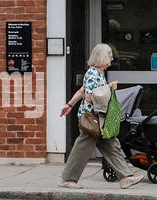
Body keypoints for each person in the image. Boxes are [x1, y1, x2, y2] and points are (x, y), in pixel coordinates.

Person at [58, 43, 143, 187]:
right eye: (110, 55)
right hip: (92, 118)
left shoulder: (97, 73)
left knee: (112, 145)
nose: (112, 57)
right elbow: (90, 96)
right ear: (103, 57)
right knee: (83, 148)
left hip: (98, 117)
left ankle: (125, 177)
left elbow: (81, 91)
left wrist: (70, 105)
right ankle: (67, 179)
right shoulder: (93, 74)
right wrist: (109, 88)